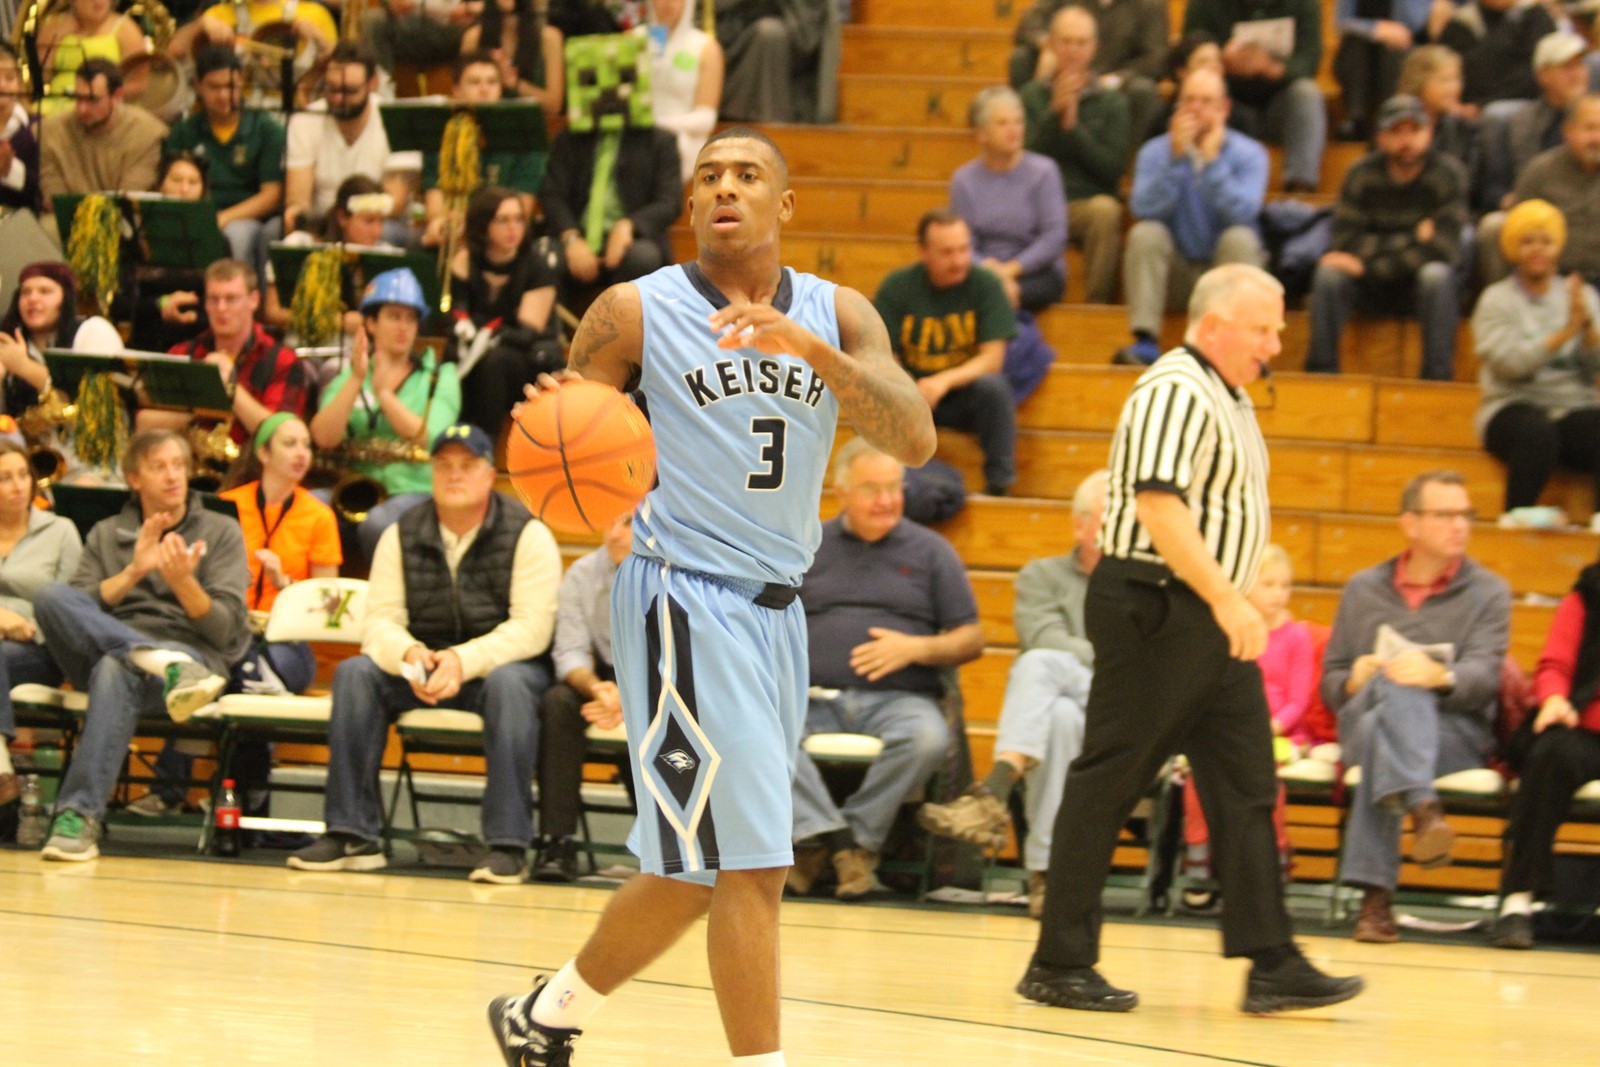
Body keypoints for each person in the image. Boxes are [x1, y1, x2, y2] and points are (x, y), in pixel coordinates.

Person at [486, 125, 935, 1066]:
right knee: (756, 861)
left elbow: (916, 437)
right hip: (680, 594)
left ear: (785, 203)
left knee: (693, 870)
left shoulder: (842, 312)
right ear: (689, 206)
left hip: (778, 609)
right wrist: (554, 429)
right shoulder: (633, 309)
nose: (726, 188)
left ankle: (547, 1014)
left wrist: (818, 353)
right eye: (709, 178)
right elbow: (572, 437)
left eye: (748, 174)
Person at [1020, 263, 1363, 1015]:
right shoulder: (1175, 386)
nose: (1276, 344)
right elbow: (1157, 504)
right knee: (1111, 777)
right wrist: (1228, 599)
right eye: (1264, 328)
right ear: (1214, 325)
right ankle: (1058, 959)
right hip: (1160, 604)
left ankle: (1271, 959)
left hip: (1204, 612)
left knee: (1246, 785)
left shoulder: (1226, 393)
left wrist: (1228, 603)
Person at [289, 422, 559, 884]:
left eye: (467, 465)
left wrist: (463, 660)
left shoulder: (528, 533)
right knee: (356, 673)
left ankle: (508, 845)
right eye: (444, 465)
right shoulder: (400, 533)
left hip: (495, 670)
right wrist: (410, 656)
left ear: (489, 473)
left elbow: (533, 629)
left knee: (513, 684)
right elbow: (380, 621)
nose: (454, 475)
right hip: (421, 668)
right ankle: (352, 835)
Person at [33, 429, 251, 861]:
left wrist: (183, 583)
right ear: (134, 478)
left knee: (118, 669)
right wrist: (133, 572)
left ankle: (78, 817)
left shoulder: (222, 531)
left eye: (179, 466)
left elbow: (226, 632)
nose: (173, 477)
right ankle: (154, 658)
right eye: (159, 467)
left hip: (191, 661)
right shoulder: (107, 532)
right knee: (49, 597)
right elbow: (79, 607)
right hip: (110, 648)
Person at [1320, 470, 1512, 943]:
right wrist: (1354, 680)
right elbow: (1330, 681)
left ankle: (1374, 902)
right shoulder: (1364, 588)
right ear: (1410, 523)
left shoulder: (1490, 592)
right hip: (1363, 720)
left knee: (1395, 706)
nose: (1460, 526)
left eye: (1465, 515)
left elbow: (1485, 677)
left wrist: (1440, 676)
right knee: (1391, 689)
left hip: (1454, 732)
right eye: (1445, 515)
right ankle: (1423, 808)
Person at [786, 440, 981, 900]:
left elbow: (970, 639)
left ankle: (848, 842)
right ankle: (832, 840)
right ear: (841, 493)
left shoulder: (932, 552)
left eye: (894, 487)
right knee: (756, 728)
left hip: (900, 700)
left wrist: (916, 648)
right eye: (872, 489)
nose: (887, 499)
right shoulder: (805, 546)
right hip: (810, 697)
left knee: (928, 738)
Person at [129, 413, 343, 818]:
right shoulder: (227, 506)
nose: (302, 454)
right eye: (290, 444)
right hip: (226, 632)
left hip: (285, 642)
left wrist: (288, 586)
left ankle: (170, 791)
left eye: (306, 445)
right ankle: (246, 800)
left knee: (228, 671)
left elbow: (327, 609)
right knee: (235, 668)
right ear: (263, 452)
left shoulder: (319, 516)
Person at [917, 470, 1108, 920]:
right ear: (1080, 525)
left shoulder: (1145, 582)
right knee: (1057, 716)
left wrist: (1100, 659)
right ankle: (1048, 877)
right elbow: (1043, 633)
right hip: (1067, 708)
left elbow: (1135, 664)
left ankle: (994, 791)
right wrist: (1103, 656)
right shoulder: (1042, 576)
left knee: (1040, 663)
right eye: (1110, 516)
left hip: (1121, 706)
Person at [1304, 94, 1466, 382]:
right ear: (1380, 137)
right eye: (1396, 132)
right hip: (1368, 286)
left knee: (1438, 276)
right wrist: (1412, 238)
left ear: (1429, 133)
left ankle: (1437, 379)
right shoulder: (1360, 173)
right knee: (1329, 273)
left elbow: (1445, 250)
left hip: (1418, 286)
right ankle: (1321, 373)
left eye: (1414, 130)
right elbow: (1345, 243)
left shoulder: (1447, 175)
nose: (1406, 141)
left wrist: (1370, 264)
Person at [1115, 67, 1267, 366]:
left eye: (1206, 101)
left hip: (1223, 273)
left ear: (1224, 109)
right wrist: (1174, 159)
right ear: (1177, 107)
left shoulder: (1250, 154)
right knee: (1145, 233)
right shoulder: (1155, 152)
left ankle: (1240, 348)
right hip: (1176, 276)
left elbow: (1243, 214)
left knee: (1241, 237)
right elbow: (1142, 209)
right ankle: (1145, 340)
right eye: (1189, 101)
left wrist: (1212, 164)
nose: (1196, 109)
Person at [310, 267, 462, 563]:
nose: (404, 327)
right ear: (370, 322)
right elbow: (323, 436)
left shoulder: (440, 376)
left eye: (411, 318)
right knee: (311, 508)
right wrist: (356, 379)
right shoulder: (349, 375)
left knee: (378, 523)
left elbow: (431, 438)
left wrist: (386, 396)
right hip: (354, 488)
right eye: (394, 316)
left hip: (415, 492)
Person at [1179, 542, 1303, 904]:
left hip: (1278, 735)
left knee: (1267, 778)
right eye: (1268, 584)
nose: (1279, 594)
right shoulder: (1228, 628)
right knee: (1196, 776)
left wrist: (1272, 728)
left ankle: (1274, 857)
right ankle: (1199, 856)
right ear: (1246, 584)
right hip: (1229, 731)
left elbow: (1297, 700)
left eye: (1285, 585)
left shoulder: (1295, 637)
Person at [1491, 553, 1600, 949]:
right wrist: (1554, 698)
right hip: (1584, 728)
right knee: (1550, 754)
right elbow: (1554, 663)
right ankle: (1517, 900)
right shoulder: (1587, 596)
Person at [873, 209, 1017, 496]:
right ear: (923, 252)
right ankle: (889, 484)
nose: (959, 261)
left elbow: (993, 359)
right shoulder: (896, 287)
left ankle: (1000, 486)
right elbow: (881, 356)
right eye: (947, 252)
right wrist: (909, 388)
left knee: (995, 388)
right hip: (911, 395)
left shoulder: (986, 284)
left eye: (964, 250)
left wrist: (944, 381)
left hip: (963, 395)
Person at [1474, 200, 1600, 518]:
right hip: (1511, 406)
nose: (1537, 250)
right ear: (1513, 249)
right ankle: (1516, 518)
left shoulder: (1582, 296)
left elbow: (1595, 366)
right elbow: (1510, 366)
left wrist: (1586, 329)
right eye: (1527, 242)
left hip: (1573, 406)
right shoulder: (1496, 299)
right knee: (1537, 432)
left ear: (1558, 247)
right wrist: (1564, 333)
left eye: (1545, 241)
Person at [533, 510, 632, 884]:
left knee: (669, 712)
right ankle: (557, 841)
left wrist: (634, 694)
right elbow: (569, 652)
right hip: (605, 678)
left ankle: (673, 848)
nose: (613, 533)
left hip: (665, 675)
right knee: (558, 702)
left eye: (627, 523)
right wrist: (598, 689)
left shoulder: (678, 572)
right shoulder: (583, 572)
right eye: (610, 521)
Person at [142, 260, 312, 454]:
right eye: (214, 299)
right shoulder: (182, 353)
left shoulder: (283, 361)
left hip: (251, 476)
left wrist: (230, 388)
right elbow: (143, 425)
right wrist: (200, 392)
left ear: (254, 300)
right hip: (187, 475)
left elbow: (282, 436)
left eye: (231, 299)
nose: (221, 308)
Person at [1021, 7, 1130, 305]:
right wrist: (1053, 115)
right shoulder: (1031, 96)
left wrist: (1074, 130)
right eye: (1066, 41)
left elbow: (1112, 169)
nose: (1073, 50)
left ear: (1094, 48)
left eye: (1081, 42)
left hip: (1083, 203)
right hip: (1036, 204)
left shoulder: (1113, 102)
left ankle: (1094, 308)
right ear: (1052, 44)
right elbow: (1021, 162)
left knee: (1106, 211)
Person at [0, 439, 82, 814]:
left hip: (41, 647)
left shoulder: (60, 530)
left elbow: (72, 606)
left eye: (22, 476)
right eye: (4, 478)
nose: (17, 486)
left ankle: (3, 777)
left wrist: (27, 626)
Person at [541, 105, 682, 309]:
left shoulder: (660, 141)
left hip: (632, 242)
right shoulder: (568, 139)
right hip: (575, 238)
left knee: (643, 258)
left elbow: (669, 202)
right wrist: (570, 237)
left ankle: (627, 336)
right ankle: (552, 338)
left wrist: (629, 226)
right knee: (543, 258)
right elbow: (552, 194)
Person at [450, 185, 562, 439]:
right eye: (502, 220)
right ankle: (450, 440)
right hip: (480, 353)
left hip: (527, 362)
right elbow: (456, 315)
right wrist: (465, 328)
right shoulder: (466, 261)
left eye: (518, 219)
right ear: (482, 225)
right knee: (451, 357)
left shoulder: (537, 265)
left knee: (496, 362)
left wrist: (489, 333)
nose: (513, 228)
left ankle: (483, 446)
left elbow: (527, 335)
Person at [162, 46, 286, 272]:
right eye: (214, 87)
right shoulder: (184, 132)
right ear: (198, 86)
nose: (223, 95)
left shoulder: (267, 129)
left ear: (242, 85)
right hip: (196, 212)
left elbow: (272, 195)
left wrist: (222, 218)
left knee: (236, 235)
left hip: (248, 217)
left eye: (231, 87)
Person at [0, 261, 122, 485]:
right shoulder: (8, 341)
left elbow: (99, 408)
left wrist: (24, 367)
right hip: (29, 467)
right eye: (26, 292)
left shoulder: (93, 331)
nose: (33, 298)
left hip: (92, 461)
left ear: (65, 299)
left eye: (45, 291)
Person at [1182, 0, 1325, 192]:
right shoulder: (1203, 5)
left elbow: (1310, 60)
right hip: (1226, 98)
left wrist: (1270, 67)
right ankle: (1205, 184)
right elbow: (1189, 54)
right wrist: (1221, 61)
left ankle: (1300, 189)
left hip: (1280, 101)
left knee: (1306, 93)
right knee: (1202, 94)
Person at [950, 86, 1068, 313]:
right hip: (982, 271)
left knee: (996, 294)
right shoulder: (964, 180)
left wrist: (1010, 270)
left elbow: (1054, 237)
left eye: (1018, 122)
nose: (1014, 130)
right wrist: (987, 270)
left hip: (1036, 272)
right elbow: (964, 241)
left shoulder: (1044, 172)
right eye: (1003, 123)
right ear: (982, 133)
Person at [282, 42, 415, 240]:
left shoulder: (396, 120)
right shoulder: (305, 120)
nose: (338, 100)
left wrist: (349, 220)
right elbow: (298, 201)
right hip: (323, 222)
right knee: (278, 230)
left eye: (349, 91)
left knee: (387, 233)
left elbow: (394, 203)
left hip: (377, 221)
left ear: (373, 84)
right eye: (331, 89)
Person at [419, 51, 547, 248]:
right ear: (456, 91)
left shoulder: (524, 136)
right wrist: (440, 224)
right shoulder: (442, 136)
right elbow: (435, 209)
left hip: (504, 237)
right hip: (456, 235)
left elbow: (522, 211)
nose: (484, 89)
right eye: (474, 82)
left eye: (492, 82)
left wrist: (469, 225)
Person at [1478, 31, 1589, 216]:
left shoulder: (1596, 116)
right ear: (1542, 75)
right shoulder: (1518, 122)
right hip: (1533, 212)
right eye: (1567, 67)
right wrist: (1508, 200)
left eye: (1580, 66)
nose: (1576, 74)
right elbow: (1493, 189)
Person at [38, 58, 168, 206]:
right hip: (65, 219)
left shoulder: (148, 134)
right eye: (78, 98)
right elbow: (54, 198)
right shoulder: (50, 130)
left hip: (124, 222)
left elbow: (128, 201)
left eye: (92, 100)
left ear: (117, 96)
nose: (82, 109)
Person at [1506, 94, 1600, 289]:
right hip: (1551, 283)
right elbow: (1519, 238)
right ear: (1568, 131)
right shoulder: (1539, 173)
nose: (1597, 138)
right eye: (1590, 128)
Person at [714, 0, 840, 124]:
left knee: (770, 34)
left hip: (783, 34)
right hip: (721, 33)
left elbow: (808, 35)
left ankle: (770, 124)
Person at [1332, 0, 1435, 141]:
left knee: (1391, 48)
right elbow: (1341, 22)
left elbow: (1418, 22)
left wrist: (1394, 31)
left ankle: (1392, 115)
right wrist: (1375, 29)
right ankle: (1357, 119)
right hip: (1362, 58)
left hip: (1406, 47)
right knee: (1354, 43)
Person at [646, 0, 723, 184]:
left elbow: (706, 119)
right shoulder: (633, 41)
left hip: (685, 140)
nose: (668, 3)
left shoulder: (706, 47)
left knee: (671, 149)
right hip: (637, 138)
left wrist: (657, 124)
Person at [34, 0, 148, 117]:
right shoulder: (54, 25)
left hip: (107, 109)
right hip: (56, 106)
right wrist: (57, 36)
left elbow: (139, 84)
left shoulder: (126, 29)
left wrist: (105, 98)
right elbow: (43, 77)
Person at [1438, 0, 1557, 110]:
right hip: (1471, 104)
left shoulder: (1534, 16)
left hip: (1527, 100)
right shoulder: (1460, 23)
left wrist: (1483, 104)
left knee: (1495, 112)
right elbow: (1459, 71)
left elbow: (1534, 72)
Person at [460, 0, 565, 118]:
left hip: (532, 124)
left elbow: (554, 105)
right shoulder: (473, 37)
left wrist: (514, 83)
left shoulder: (550, 37)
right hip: (484, 121)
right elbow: (462, 95)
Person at [0, 42, 41, 212]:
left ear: (19, 84)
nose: (2, 86)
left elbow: (41, 192)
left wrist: (10, 171)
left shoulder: (34, 128)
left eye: (9, 78)